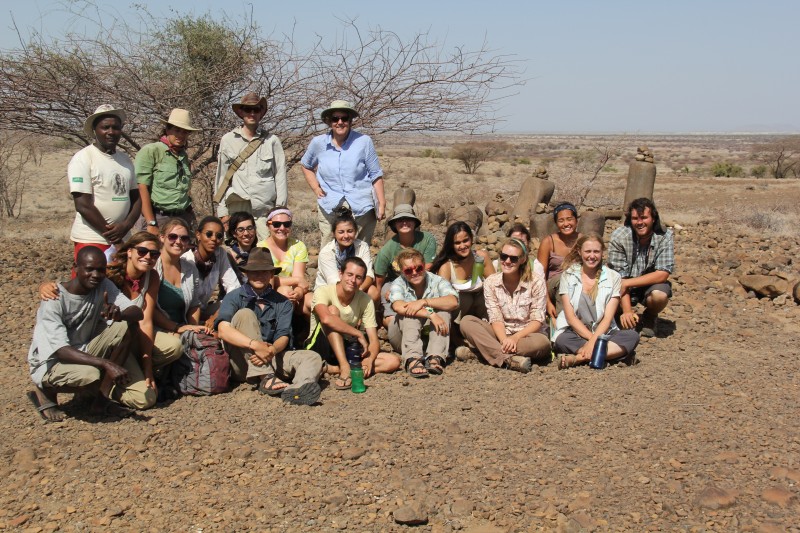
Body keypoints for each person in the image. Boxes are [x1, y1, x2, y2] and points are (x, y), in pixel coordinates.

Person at [40, 233, 184, 405]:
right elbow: (76, 285)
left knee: (172, 347)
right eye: (142, 251)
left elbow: (144, 319)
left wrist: (148, 370)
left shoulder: (150, 276)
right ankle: (98, 388)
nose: (148, 257)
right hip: (106, 341)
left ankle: (121, 376)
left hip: (129, 338)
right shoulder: (106, 274)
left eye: (154, 254)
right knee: (142, 397)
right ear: (129, 251)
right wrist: (45, 286)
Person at [27, 246, 145, 421]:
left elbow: (137, 312)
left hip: (83, 350)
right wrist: (106, 364)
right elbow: (60, 350)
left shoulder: (103, 285)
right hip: (52, 361)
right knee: (91, 375)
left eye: (100, 270)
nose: (96, 275)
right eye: (89, 269)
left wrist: (120, 313)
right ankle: (45, 390)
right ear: (75, 268)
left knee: (128, 326)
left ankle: (100, 401)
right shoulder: (54, 299)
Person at [215, 248, 323, 405]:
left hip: (271, 355)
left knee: (312, 357)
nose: (259, 276)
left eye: (264, 271)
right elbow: (223, 330)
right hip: (242, 360)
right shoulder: (234, 297)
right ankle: (265, 377)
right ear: (246, 273)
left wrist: (271, 350)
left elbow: (283, 335)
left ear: (271, 274)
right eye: (254, 272)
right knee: (245, 314)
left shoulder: (283, 302)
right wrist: (255, 345)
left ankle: (298, 388)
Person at [301, 100, 386, 248]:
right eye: (335, 119)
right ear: (329, 121)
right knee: (329, 249)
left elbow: (375, 174)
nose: (340, 122)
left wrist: (382, 203)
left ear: (350, 121)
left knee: (359, 249)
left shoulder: (364, 142)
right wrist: (316, 188)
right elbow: (306, 165)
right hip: (329, 204)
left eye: (344, 118)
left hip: (361, 205)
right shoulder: (318, 143)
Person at [306, 257, 400, 389]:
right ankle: (344, 367)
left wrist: (370, 359)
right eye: (349, 275)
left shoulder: (365, 300)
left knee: (392, 361)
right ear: (341, 274)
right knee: (333, 311)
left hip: (346, 346)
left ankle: (332, 369)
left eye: (358, 277)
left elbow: (373, 340)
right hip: (321, 345)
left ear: (362, 280)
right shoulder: (324, 291)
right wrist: (358, 333)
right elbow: (326, 319)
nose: (352, 280)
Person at [460, 238, 551, 373]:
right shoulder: (491, 282)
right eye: (504, 256)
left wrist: (514, 338)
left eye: (513, 258)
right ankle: (507, 359)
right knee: (467, 322)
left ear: (522, 260)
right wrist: (504, 340)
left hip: (527, 335)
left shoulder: (536, 281)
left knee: (541, 343)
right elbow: (495, 317)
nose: (507, 261)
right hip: (500, 332)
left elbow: (537, 320)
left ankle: (482, 352)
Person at [554, 234, 640, 368]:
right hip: (578, 332)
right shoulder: (568, 275)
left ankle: (578, 359)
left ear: (602, 253)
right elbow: (570, 317)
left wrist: (592, 342)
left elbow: (607, 319)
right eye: (588, 251)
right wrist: (591, 340)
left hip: (605, 333)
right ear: (579, 252)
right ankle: (610, 354)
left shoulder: (613, 277)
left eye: (596, 251)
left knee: (632, 336)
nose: (592, 256)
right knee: (562, 340)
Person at [69, 105, 141, 260]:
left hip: (124, 237)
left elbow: (136, 198)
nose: (111, 132)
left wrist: (126, 226)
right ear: (95, 130)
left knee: (120, 283)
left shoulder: (125, 159)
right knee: (92, 281)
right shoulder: (84, 158)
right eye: (105, 127)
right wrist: (114, 237)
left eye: (115, 127)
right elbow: (83, 205)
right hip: (92, 239)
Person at [214, 93, 287, 241]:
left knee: (266, 254)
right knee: (236, 255)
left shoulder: (272, 141)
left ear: (261, 112)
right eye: (248, 110)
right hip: (237, 208)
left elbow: (280, 176)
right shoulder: (228, 140)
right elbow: (222, 177)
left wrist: (280, 210)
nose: (252, 113)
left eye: (256, 109)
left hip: (264, 211)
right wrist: (222, 212)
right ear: (241, 112)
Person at [607, 197, 674, 337]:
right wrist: (627, 311)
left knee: (660, 295)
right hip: (621, 285)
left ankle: (650, 317)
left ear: (653, 218)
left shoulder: (665, 236)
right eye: (635, 218)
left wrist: (628, 283)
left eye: (644, 218)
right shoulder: (619, 237)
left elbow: (662, 273)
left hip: (646, 284)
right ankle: (621, 314)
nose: (639, 222)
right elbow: (620, 277)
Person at [388, 249, 459, 378]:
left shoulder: (437, 281)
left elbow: (453, 301)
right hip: (402, 337)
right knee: (410, 314)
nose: (414, 273)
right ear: (402, 272)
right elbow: (399, 307)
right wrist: (430, 314)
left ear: (424, 265)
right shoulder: (398, 283)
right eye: (408, 270)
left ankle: (435, 357)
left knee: (443, 313)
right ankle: (413, 359)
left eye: (419, 268)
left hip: (427, 337)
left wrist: (424, 302)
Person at [430, 221, 495, 350]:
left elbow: (495, 284)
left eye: (465, 241)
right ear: (451, 245)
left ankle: (492, 332)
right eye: (457, 243)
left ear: (471, 239)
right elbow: (443, 302)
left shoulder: (481, 257)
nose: (462, 246)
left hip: (480, 311)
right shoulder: (447, 267)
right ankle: (457, 341)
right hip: (457, 315)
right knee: (464, 298)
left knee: (488, 294)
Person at [135, 108, 200, 234]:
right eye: (177, 131)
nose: (181, 135)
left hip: (182, 217)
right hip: (158, 217)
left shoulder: (183, 156)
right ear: (167, 129)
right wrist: (151, 222)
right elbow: (141, 187)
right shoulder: (151, 151)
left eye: (185, 132)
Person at [374, 204, 437, 327]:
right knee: (392, 317)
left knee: (431, 305)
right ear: (394, 225)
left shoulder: (427, 239)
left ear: (414, 223)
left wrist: (404, 286)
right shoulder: (387, 250)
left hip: (422, 278)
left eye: (408, 219)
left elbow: (428, 267)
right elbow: (379, 278)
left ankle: (429, 318)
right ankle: (390, 320)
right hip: (393, 282)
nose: (404, 223)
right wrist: (389, 291)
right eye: (400, 220)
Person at [152, 218, 209, 336]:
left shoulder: (190, 268)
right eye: (173, 237)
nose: (178, 241)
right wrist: (176, 328)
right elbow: (149, 308)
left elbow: (194, 304)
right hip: (158, 327)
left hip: (183, 326)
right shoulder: (153, 266)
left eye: (184, 238)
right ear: (162, 237)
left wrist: (192, 328)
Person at [183, 216, 240, 329]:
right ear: (198, 235)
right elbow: (187, 300)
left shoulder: (220, 254)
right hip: (186, 311)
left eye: (219, 236)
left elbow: (234, 289)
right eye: (209, 234)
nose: (214, 239)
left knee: (238, 305)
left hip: (205, 309)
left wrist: (217, 315)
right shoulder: (186, 260)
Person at [312, 206, 378, 301]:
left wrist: (359, 290)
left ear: (355, 232)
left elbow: (368, 275)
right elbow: (334, 282)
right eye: (341, 232)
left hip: (356, 288)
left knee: (373, 292)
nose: (346, 236)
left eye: (350, 231)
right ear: (334, 234)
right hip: (331, 291)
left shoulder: (362, 246)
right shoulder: (327, 252)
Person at [256, 207, 309, 315]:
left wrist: (298, 292)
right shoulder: (260, 248)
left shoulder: (298, 246)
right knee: (285, 291)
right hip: (269, 291)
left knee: (313, 302)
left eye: (286, 224)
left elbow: (300, 278)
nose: (282, 228)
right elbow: (264, 280)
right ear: (268, 225)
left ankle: (316, 330)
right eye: (276, 224)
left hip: (295, 290)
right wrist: (296, 282)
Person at [537, 203, 581, 319]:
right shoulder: (548, 242)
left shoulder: (583, 240)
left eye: (569, 219)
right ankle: (563, 323)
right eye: (561, 221)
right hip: (554, 285)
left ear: (576, 220)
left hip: (579, 283)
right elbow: (539, 275)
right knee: (564, 280)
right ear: (556, 223)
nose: (566, 224)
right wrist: (547, 302)